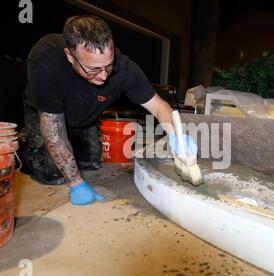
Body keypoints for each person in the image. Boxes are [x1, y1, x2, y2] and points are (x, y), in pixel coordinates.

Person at [21, 15, 195, 206]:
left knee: (91, 164)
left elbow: (158, 106)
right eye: (93, 69)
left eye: (108, 66)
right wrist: (76, 184)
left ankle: (73, 142)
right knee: (53, 173)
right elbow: (53, 130)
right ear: (70, 56)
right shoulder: (45, 57)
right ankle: (27, 149)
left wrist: (175, 134)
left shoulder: (126, 68)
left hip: (85, 116)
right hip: (47, 114)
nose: (103, 76)